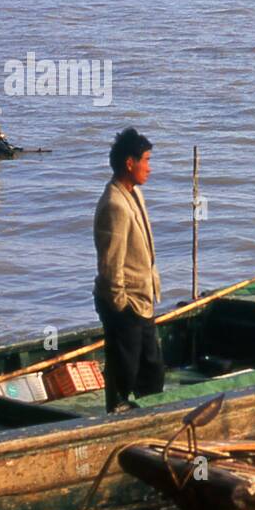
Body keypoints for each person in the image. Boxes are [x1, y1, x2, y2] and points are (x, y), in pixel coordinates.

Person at [93, 127, 163, 412]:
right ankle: (116, 421)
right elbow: (110, 265)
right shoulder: (115, 204)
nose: (149, 167)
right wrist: (121, 304)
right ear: (129, 163)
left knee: (153, 372)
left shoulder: (133, 194)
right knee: (124, 375)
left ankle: (145, 418)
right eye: (145, 160)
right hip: (125, 304)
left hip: (142, 301)